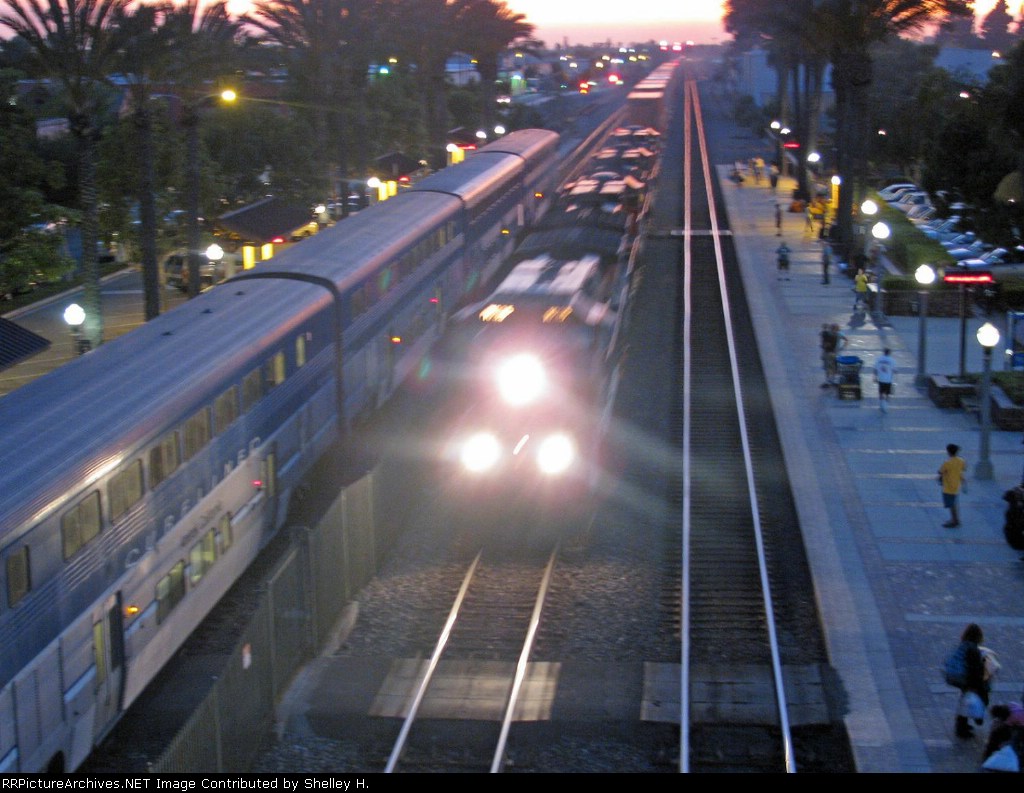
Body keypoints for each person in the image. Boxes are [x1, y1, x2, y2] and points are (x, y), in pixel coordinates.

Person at [949, 623, 990, 738]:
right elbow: (976, 668)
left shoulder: (964, 645)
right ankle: (970, 723)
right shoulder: (974, 650)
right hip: (971, 681)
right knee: (980, 699)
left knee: (965, 701)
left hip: (964, 680)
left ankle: (963, 725)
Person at [938, 443, 968, 528]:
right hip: (956, 485)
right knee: (954, 503)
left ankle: (954, 521)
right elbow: (964, 469)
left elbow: (940, 472)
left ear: (948, 452)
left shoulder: (947, 463)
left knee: (951, 505)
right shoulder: (961, 460)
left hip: (948, 487)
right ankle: (955, 519)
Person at [874, 348, 896, 412]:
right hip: (888, 379)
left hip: (881, 379)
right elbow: (895, 370)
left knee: (881, 392)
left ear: (884, 352)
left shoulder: (879, 359)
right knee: (887, 393)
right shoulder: (892, 360)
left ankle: (881, 405)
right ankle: (886, 406)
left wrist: (875, 377)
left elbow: (875, 369)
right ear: (889, 353)